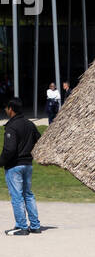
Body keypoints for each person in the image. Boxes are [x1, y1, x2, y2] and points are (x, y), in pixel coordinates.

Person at [2, 97, 42, 236]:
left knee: (17, 196)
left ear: (11, 109)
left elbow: (10, 149)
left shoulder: (12, 126)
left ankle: (21, 226)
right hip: (28, 164)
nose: (6, 110)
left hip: (14, 166)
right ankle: (35, 225)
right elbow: (39, 140)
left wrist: (1, 162)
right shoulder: (30, 124)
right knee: (28, 194)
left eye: (6, 108)